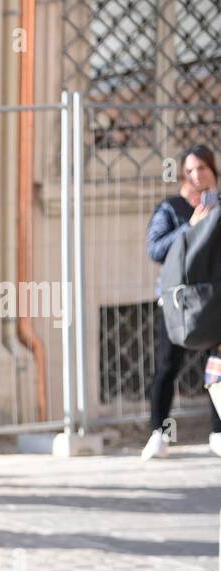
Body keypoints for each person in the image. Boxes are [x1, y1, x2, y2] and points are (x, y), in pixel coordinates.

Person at [142, 144, 221, 459]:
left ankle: (218, 433)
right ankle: (159, 435)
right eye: (190, 170)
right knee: (167, 366)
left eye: (202, 168)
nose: (196, 175)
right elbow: (155, 249)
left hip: (214, 301)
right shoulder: (171, 209)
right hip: (178, 302)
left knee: (215, 370)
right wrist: (189, 227)